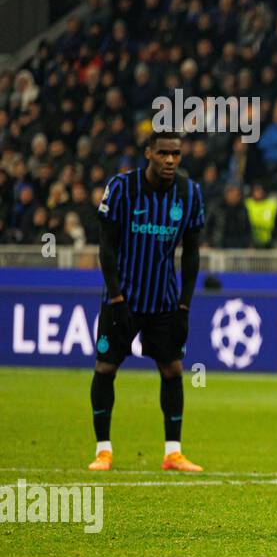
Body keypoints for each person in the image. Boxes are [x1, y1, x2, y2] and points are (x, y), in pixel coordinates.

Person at [87, 132, 205, 473]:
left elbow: (192, 253)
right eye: (163, 153)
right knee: (106, 368)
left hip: (164, 302)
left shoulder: (189, 193)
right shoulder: (122, 188)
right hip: (122, 298)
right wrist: (116, 297)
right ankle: (103, 451)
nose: (170, 160)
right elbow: (106, 247)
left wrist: (184, 306)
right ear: (148, 153)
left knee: (172, 370)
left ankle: (173, 453)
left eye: (176, 154)